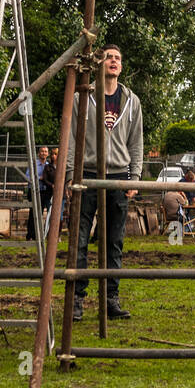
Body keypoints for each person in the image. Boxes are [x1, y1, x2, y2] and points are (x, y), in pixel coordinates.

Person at [66, 44, 144, 321]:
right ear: (100, 64)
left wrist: (134, 176)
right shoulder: (82, 98)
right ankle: (76, 299)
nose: (113, 61)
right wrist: (69, 175)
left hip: (118, 176)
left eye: (118, 58)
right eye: (109, 57)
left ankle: (111, 298)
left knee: (114, 241)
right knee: (79, 238)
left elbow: (136, 142)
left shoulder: (132, 101)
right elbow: (73, 138)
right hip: (87, 174)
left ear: (121, 67)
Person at [25, 145, 49, 242]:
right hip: (34, 190)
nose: (43, 153)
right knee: (32, 213)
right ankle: (30, 235)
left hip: (44, 191)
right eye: (42, 151)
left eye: (45, 151)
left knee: (41, 213)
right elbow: (28, 176)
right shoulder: (34, 164)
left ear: (48, 154)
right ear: (39, 153)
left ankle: (38, 235)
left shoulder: (48, 165)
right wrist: (40, 178)